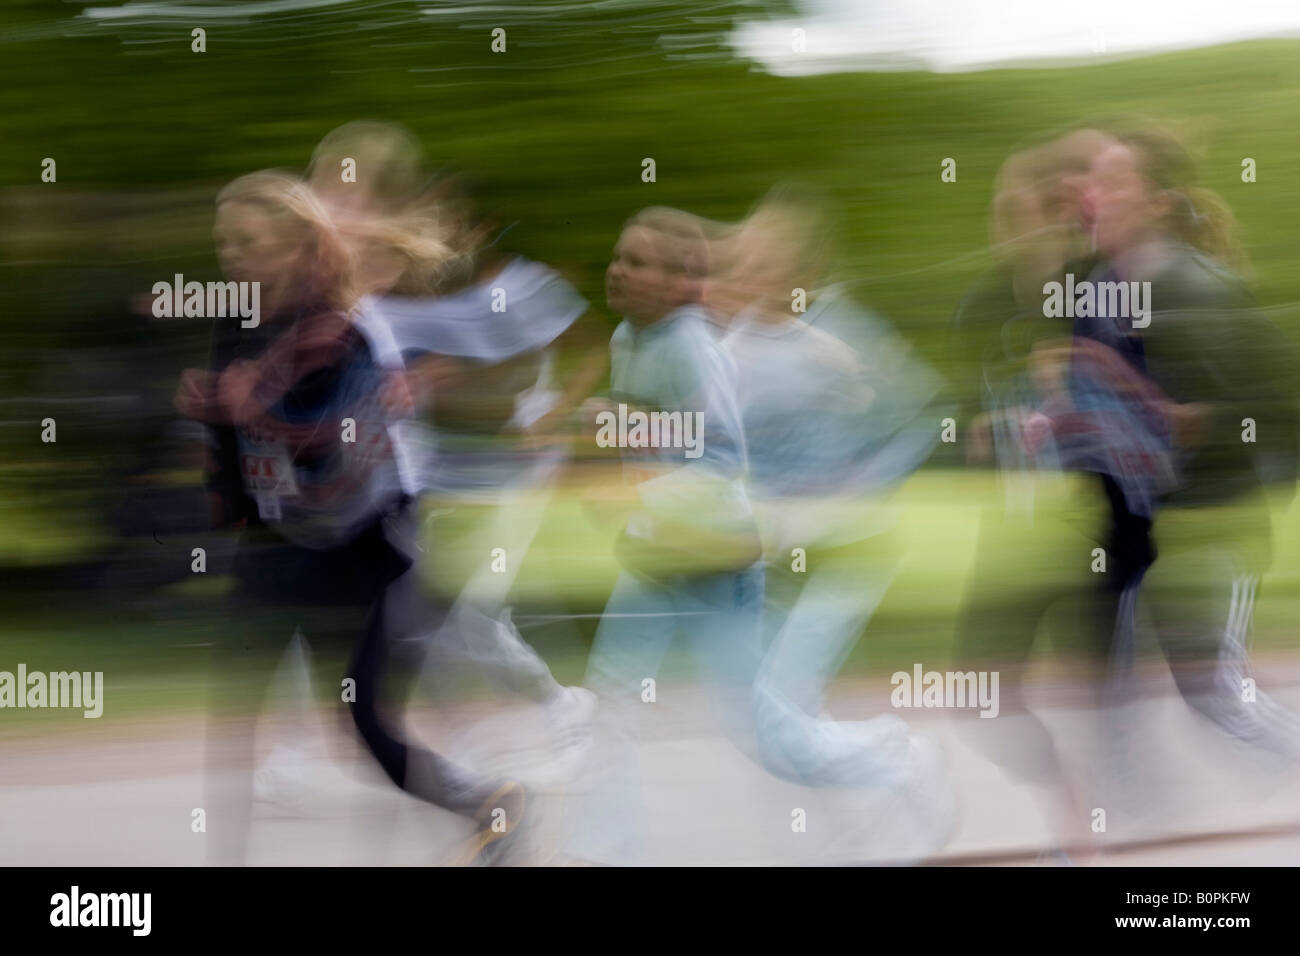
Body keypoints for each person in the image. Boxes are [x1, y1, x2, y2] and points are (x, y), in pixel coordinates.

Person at [175, 170, 525, 865]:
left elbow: (343, 452)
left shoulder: (345, 335)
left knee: (362, 719)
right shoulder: (236, 318)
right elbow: (231, 436)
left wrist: (250, 407)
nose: (231, 256)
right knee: (236, 707)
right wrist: (226, 479)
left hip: (367, 547)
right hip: (280, 538)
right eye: (223, 242)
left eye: (248, 242)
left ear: (298, 251)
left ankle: (489, 805)